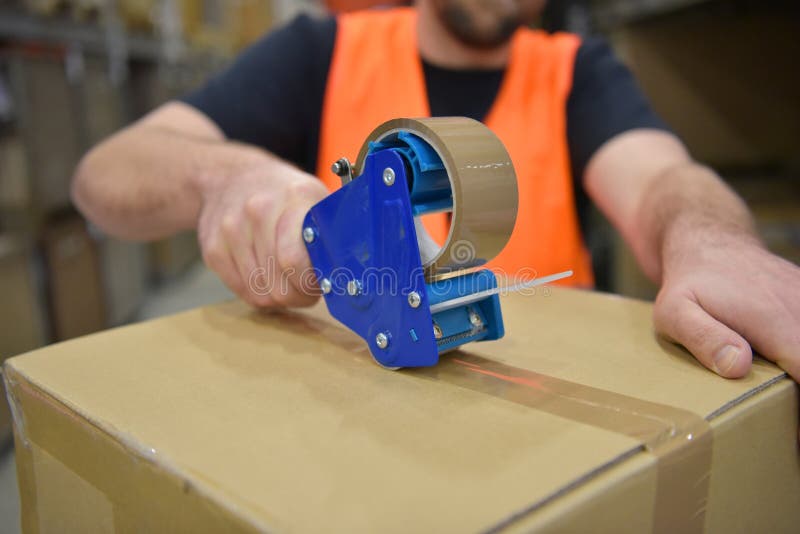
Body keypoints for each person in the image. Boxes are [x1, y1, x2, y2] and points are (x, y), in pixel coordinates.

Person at [71, 0, 799, 382]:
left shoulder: (579, 69)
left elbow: (665, 180)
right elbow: (103, 173)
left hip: (533, 402)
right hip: (358, 394)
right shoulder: (322, 50)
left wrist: (711, 241)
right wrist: (228, 175)